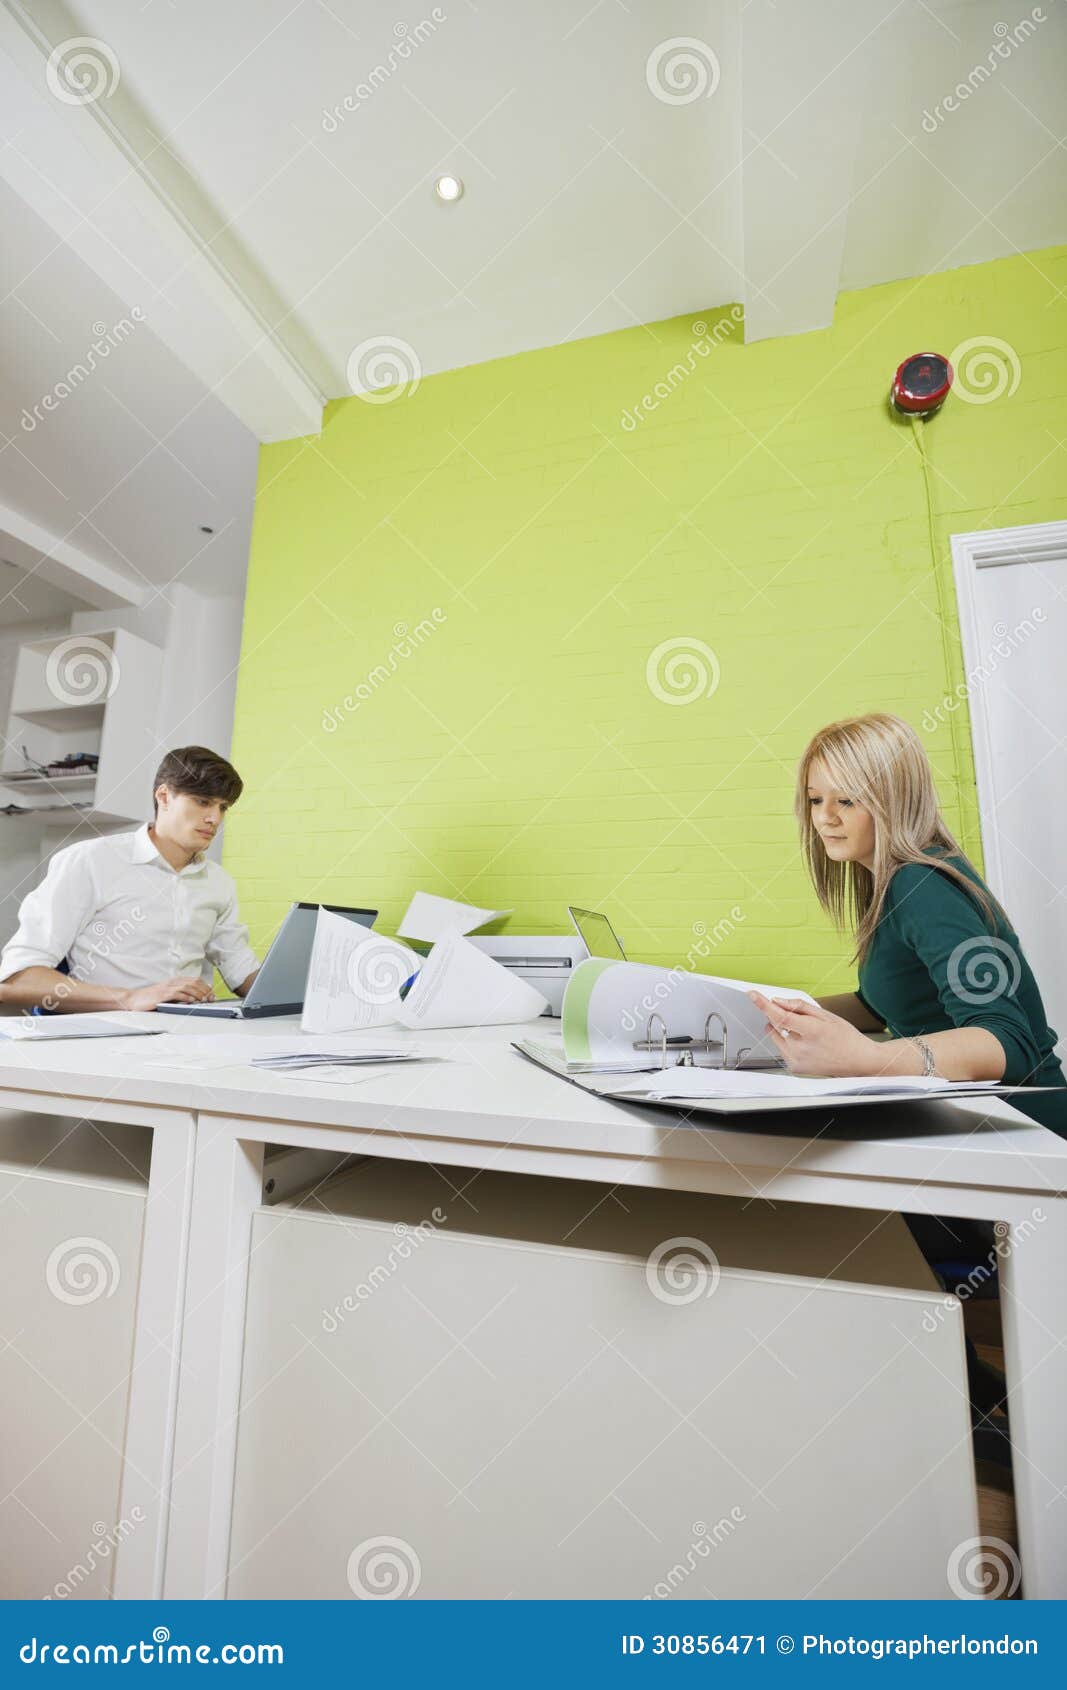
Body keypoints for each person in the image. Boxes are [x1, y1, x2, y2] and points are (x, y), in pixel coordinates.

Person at [748, 711, 1067, 1137]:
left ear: (893, 798)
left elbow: (1009, 1042)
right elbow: (885, 1003)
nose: (825, 817)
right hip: (964, 1125)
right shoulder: (888, 880)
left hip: (1028, 1134)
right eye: (814, 799)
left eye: (846, 800)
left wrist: (863, 1058)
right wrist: (769, 1014)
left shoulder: (920, 884)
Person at [0, 746, 259, 1014]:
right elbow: (16, 979)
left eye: (223, 807)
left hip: (187, 1033)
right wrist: (131, 998)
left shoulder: (219, 882)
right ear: (164, 796)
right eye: (203, 801)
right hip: (104, 1033)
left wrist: (295, 995)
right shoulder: (89, 861)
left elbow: (239, 967)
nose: (214, 818)